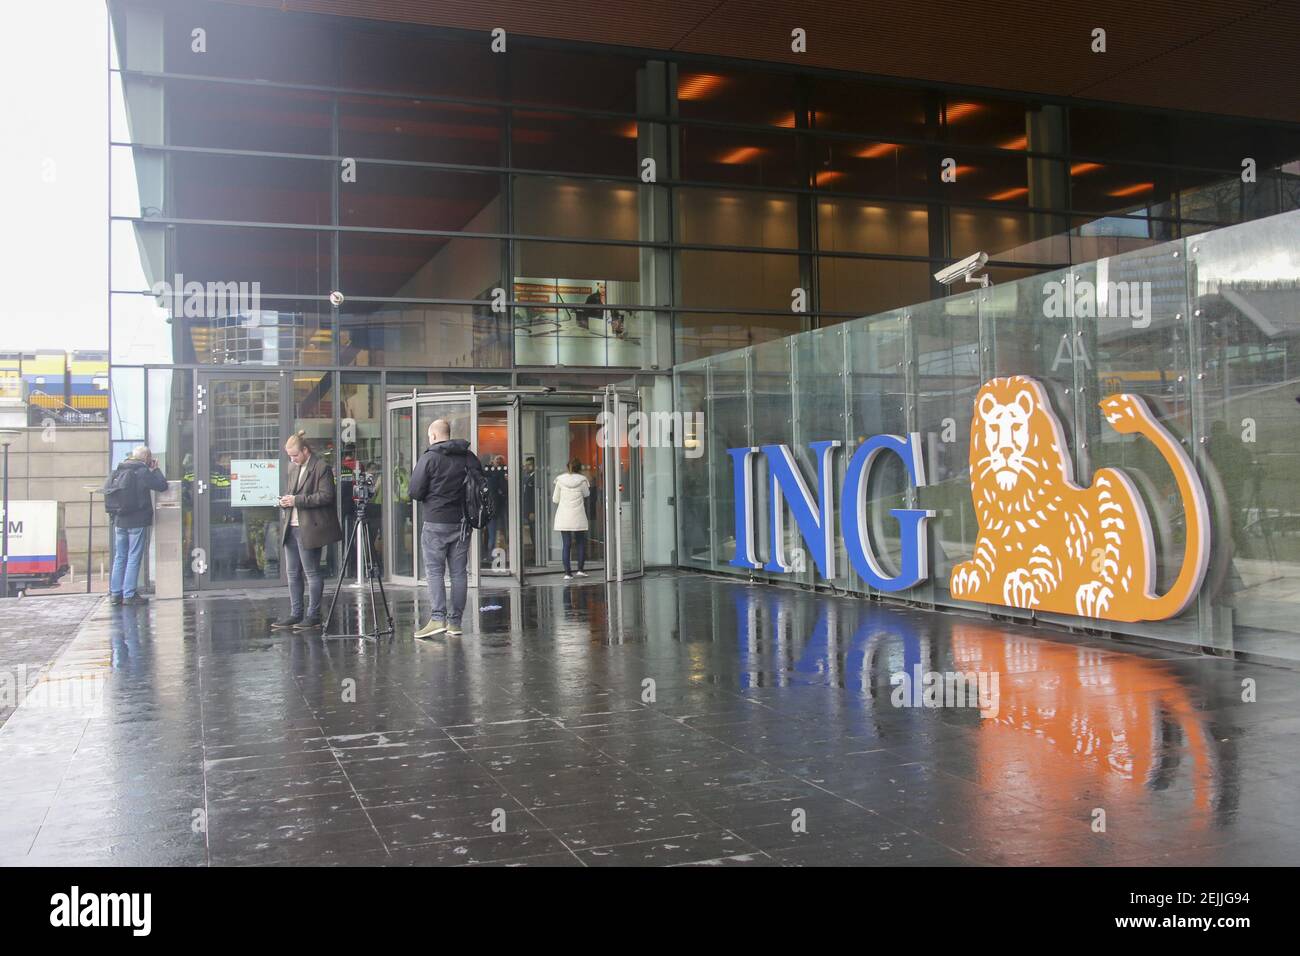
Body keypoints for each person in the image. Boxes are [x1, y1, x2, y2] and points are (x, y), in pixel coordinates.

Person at [408, 418, 483, 638]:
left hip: (435, 522)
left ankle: (437, 618)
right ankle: (455, 623)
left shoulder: (429, 458)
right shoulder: (468, 457)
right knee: (459, 573)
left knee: (434, 572)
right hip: (461, 523)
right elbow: (480, 485)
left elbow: (415, 492)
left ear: (433, 436)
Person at [272, 431, 342, 631]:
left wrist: (296, 500)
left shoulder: (321, 468)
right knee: (292, 572)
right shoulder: (293, 468)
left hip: (309, 527)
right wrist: (285, 501)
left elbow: (327, 496)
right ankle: (296, 613)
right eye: (290, 456)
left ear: (305, 450)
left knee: (311, 571)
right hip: (292, 526)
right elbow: (293, 494)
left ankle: (313, 615)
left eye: (295, 455)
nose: (292, 459)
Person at [107, 445, 169, 606]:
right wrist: (155, 469)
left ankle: (115, 594)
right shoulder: (142, 472)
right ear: (147, 458)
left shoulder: (118, 470)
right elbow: (162, 485)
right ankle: (129, 594)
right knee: (134, 557)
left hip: (119, 520)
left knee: (120, 557)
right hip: (136, 521)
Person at [552, 458, 591, 580]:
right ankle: (580, 569)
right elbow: (587, 494)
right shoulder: (582, 481)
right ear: (579, 468)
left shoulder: (560, 480)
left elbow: (555, 499)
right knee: (580, 543)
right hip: (578, 515)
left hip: (564, 516)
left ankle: (567, 573)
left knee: (566, 544)